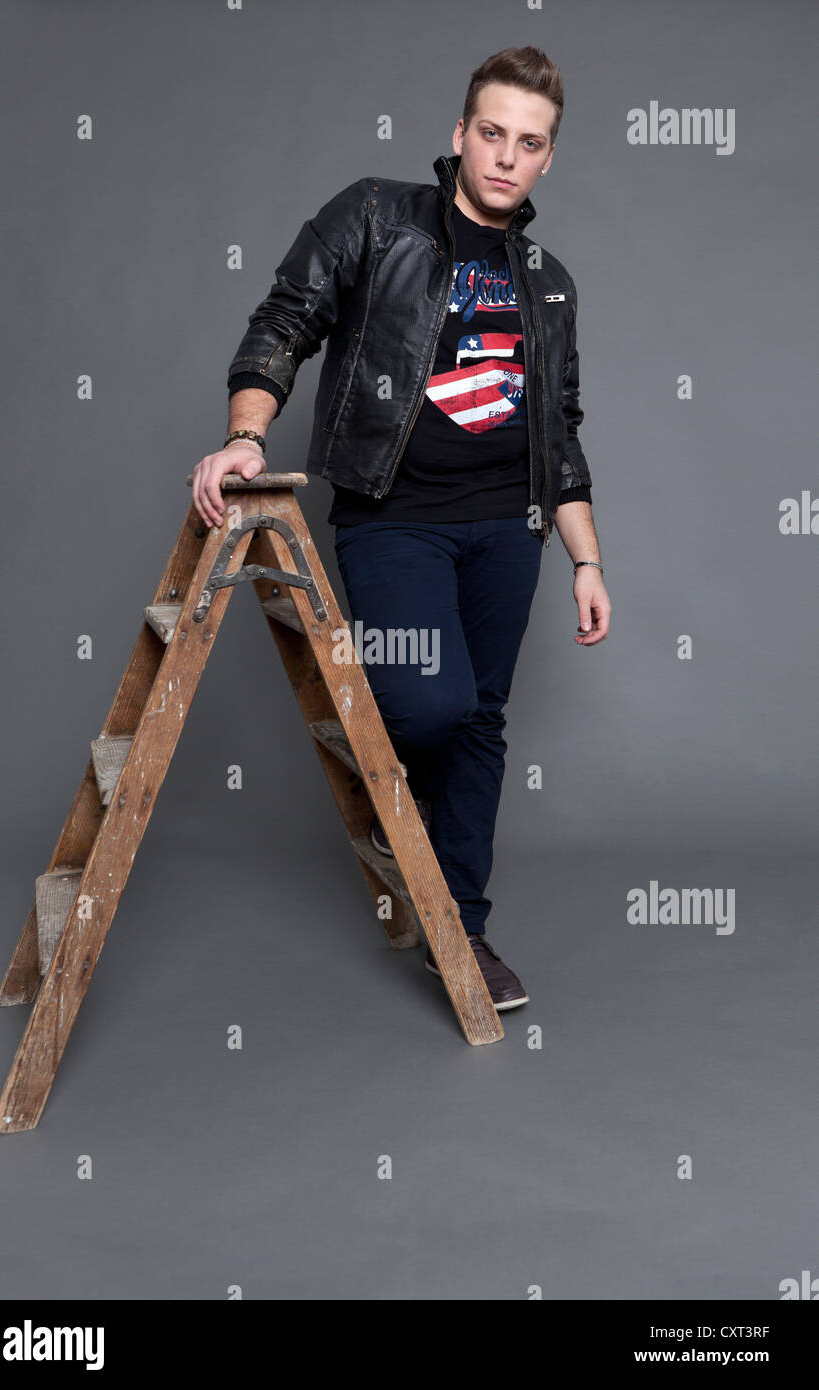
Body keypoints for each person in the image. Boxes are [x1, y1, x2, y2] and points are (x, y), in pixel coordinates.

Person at [192, 44, 612, 1012]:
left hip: (510, 527)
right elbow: (284, 318)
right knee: (427, 705)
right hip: (395, 517)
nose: (507, 156)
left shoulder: (548, 283)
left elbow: (564, 431)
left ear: (549, 158)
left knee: (481, 721)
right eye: (492, 133)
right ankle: (403, 832)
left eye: (531, 142)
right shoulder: (376, 219)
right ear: (458, 134)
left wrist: (585, 555)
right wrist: (244, 437)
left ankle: (458, 926)